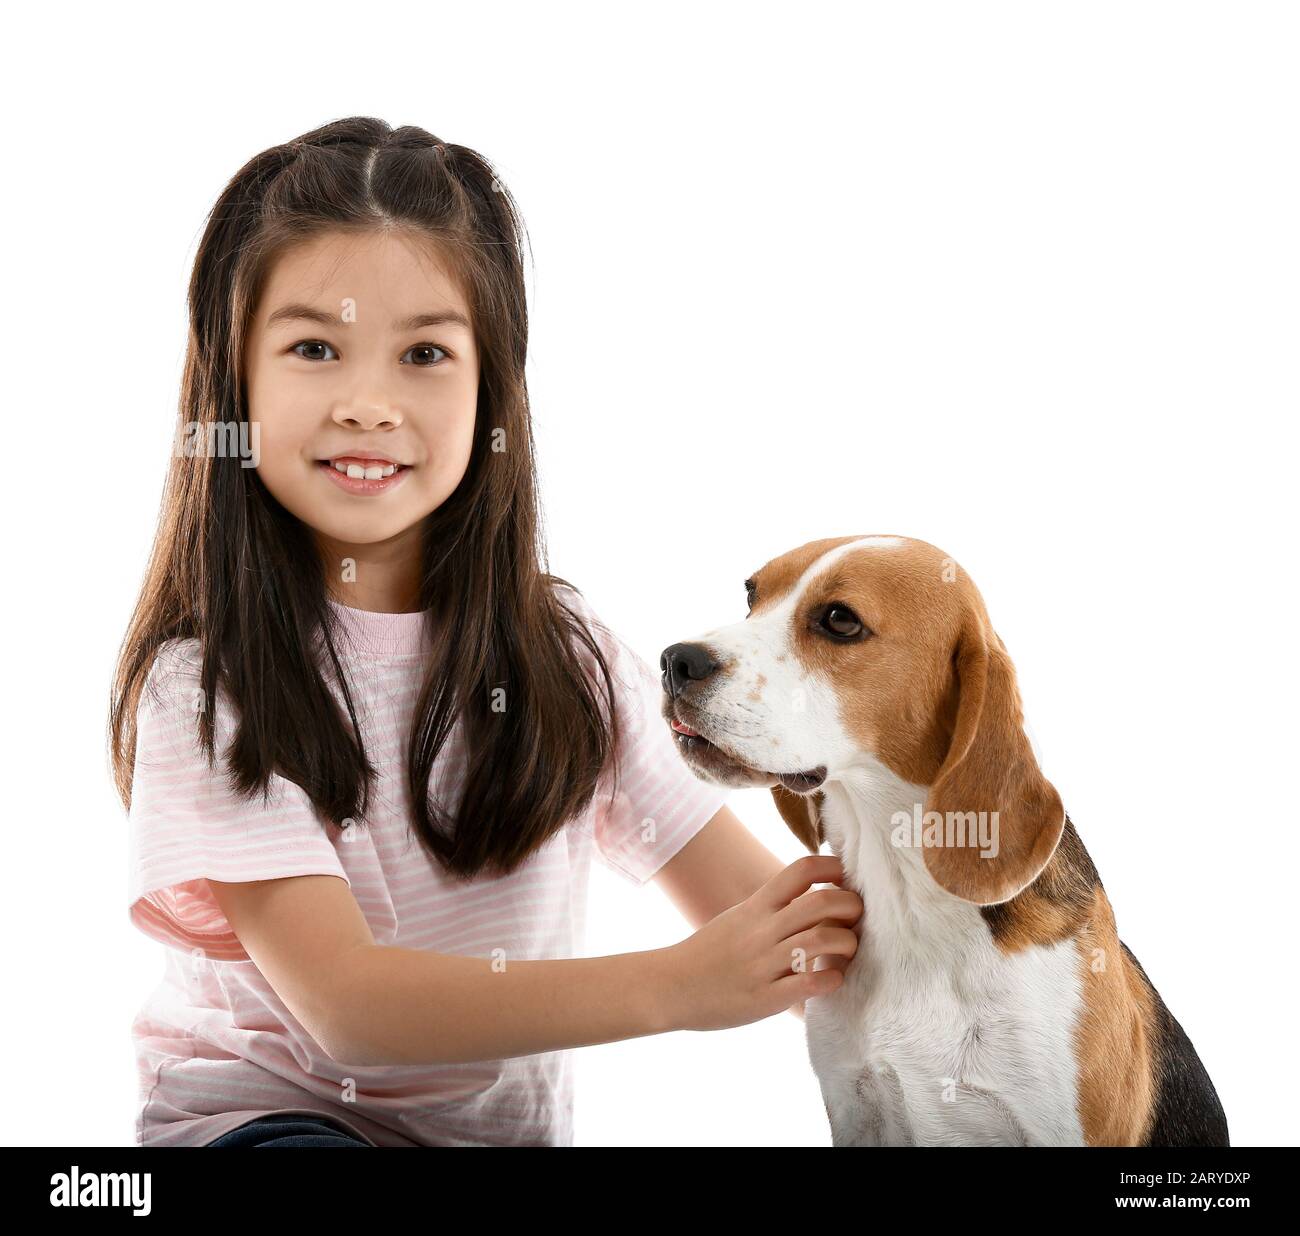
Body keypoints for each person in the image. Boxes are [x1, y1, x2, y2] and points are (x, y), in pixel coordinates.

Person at [109, 116, 862, 1147]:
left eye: (424, 352)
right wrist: (678, 989)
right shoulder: (204, 686)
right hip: (267, 1130)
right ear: (235, 380)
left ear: (489, 383)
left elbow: (775, 923)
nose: (369, 403)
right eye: (314, 348)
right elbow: (350, 1007)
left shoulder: (566, 657)